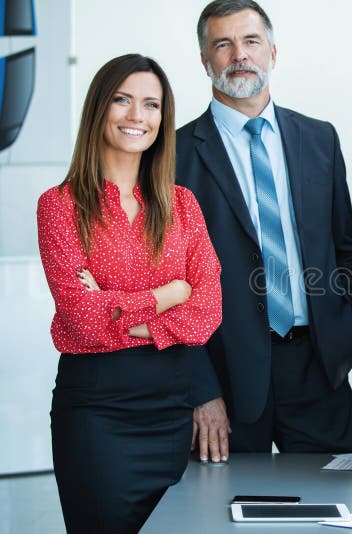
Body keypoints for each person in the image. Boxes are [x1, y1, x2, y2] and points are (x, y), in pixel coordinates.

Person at [37, 54, 222, 533]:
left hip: (170, 409)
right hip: (97, 414)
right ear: (99, 108)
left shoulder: (182, 205)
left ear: (163, 118)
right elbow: (81, 319)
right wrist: (169, 293)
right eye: (122, 100)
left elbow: (207, 312)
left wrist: (115, 308)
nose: (137, 115)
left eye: (151, 104)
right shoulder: (60, 207)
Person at [176, 0, 352, 460]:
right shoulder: (173, 155)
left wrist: (346, 337)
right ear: (205, 61)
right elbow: (169, 285)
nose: (239, 54)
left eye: (251, 41)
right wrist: (201, 389)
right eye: (223, 44)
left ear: (272, 53)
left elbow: (345, 251)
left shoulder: (320, 138)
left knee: (341, 515)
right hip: (226, 379)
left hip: (318, 369)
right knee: (226, 517)